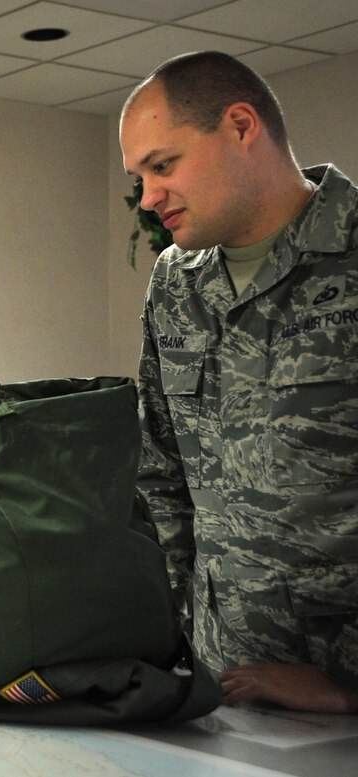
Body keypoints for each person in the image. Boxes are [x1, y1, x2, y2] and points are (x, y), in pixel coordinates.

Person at [120, 51, 358, 713]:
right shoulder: (176, 284)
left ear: (242, 126)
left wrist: (348, 689)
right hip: (221, 685)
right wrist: (166, 645)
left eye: (162, 165)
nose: (148, 196)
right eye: (139, 176)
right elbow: (162, 478)